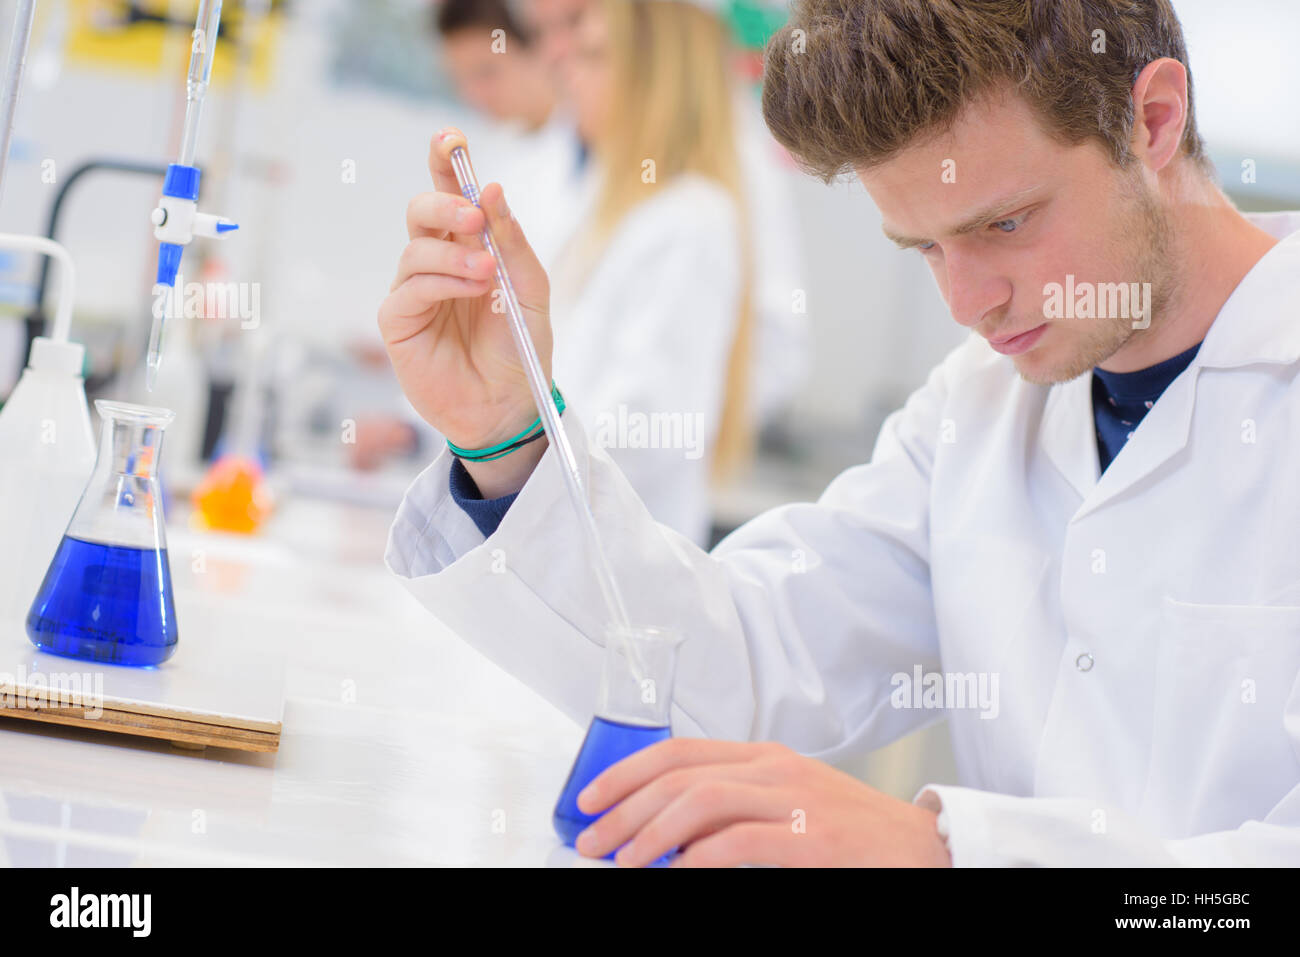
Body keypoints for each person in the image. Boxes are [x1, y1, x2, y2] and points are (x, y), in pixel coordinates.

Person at [378, 0, 1300, 867]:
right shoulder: (977, 410)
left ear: (1155, 119)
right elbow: (732, 664)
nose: (968, 303)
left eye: (1005, 222)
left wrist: (950, 851)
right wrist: (506, 436)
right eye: (926, 248)